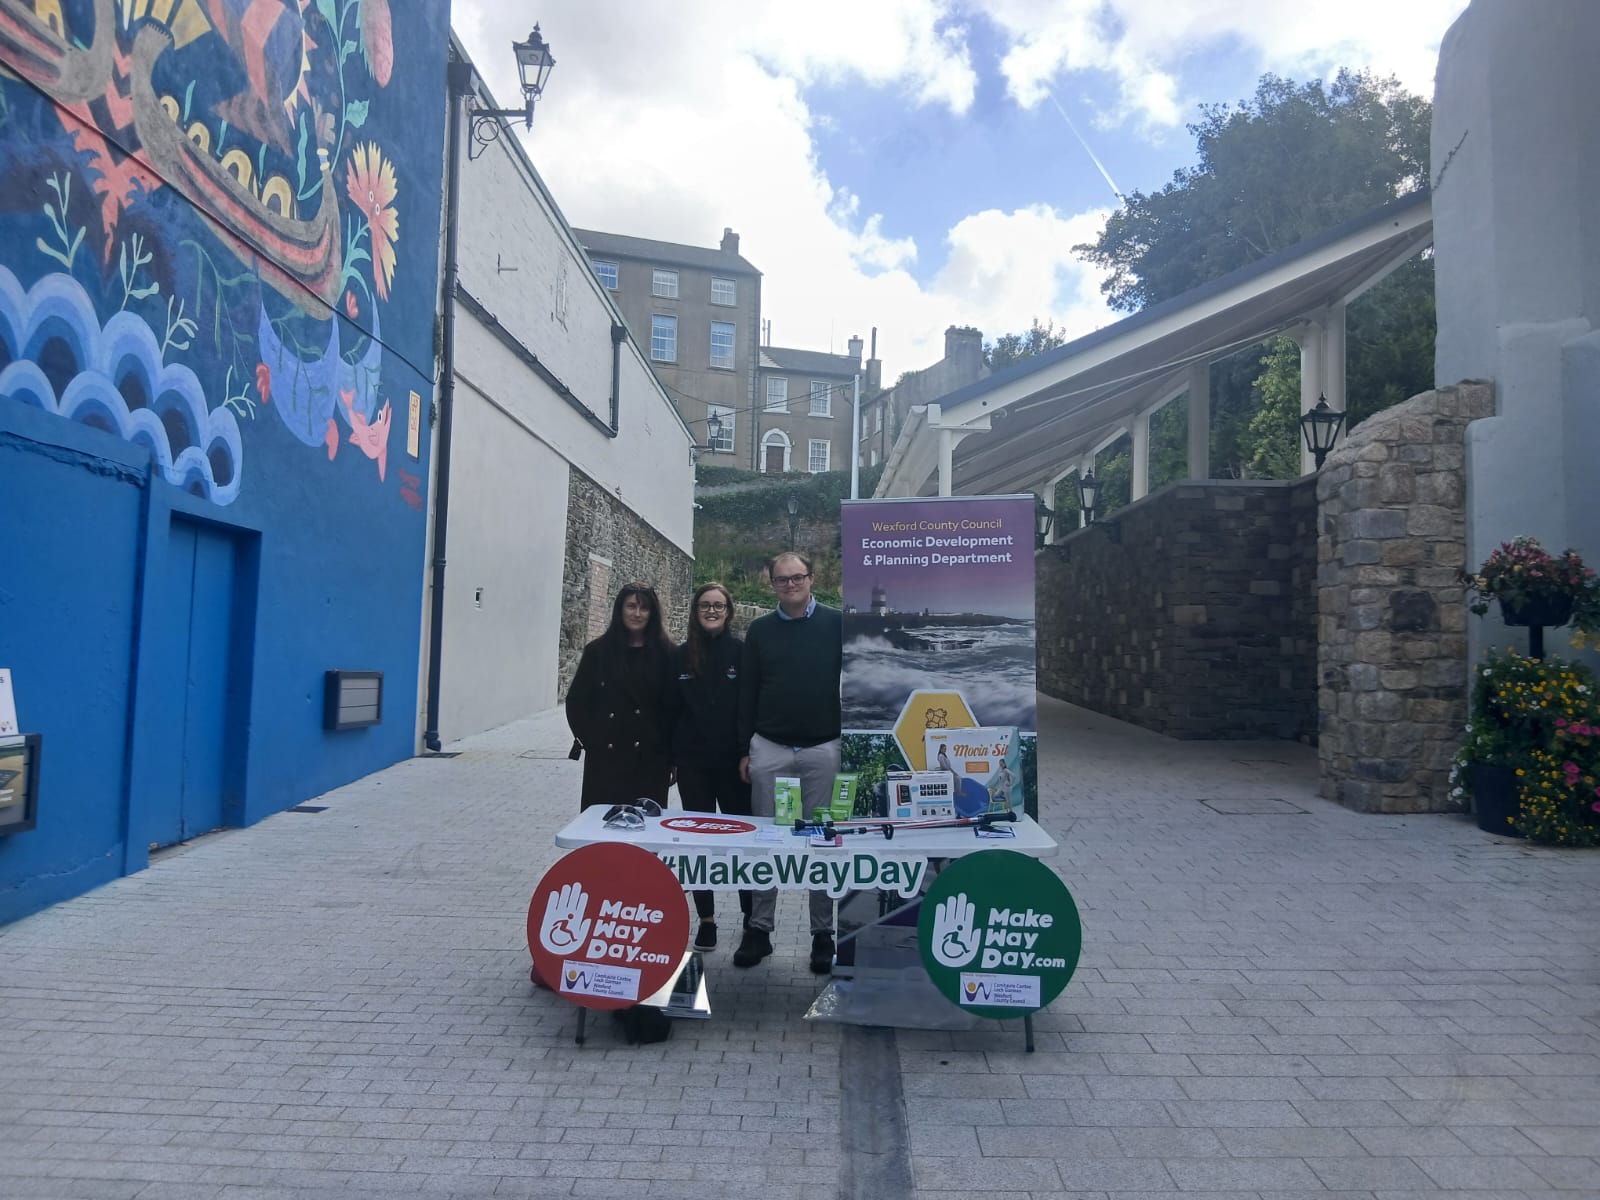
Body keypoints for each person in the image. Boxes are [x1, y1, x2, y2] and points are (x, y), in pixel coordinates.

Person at [735, 551, 844, 972]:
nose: (790, 585)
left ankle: (823, 935)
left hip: (822, 748)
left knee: (823, 841)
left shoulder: (836, 624)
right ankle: (759, 929)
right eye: (782, 580)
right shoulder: (760, 631)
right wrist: (745, 749)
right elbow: (747, 692)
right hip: (772, 747)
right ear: (772, 585)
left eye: (797, 577)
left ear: (812, 579)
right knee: (767, 840)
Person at [669, 582, 752, 951]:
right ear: (695, 610)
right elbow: (668, 712)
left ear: (729, 611)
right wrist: (671, 758)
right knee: (698, 843)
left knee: (743, 844)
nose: (712, 610)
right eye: (705, 605)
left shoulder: (743, 653)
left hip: (736, 766)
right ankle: (706, 920)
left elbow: (752, 708)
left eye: (719, 605)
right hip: (694, 766)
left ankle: (753, 920)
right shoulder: (680, 657)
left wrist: (749, 754)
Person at [565, 583, 674, 811]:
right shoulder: (597, 652)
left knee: (644, 834)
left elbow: (675, 708)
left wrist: (671, 756)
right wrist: (593, 740)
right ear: (620, 609)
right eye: (631, 606)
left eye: (644, 608)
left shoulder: (668, 654)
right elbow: (576, 702)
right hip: (606, 759)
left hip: (649, 761)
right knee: (601, 832)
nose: (637, 613)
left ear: (652, 613)